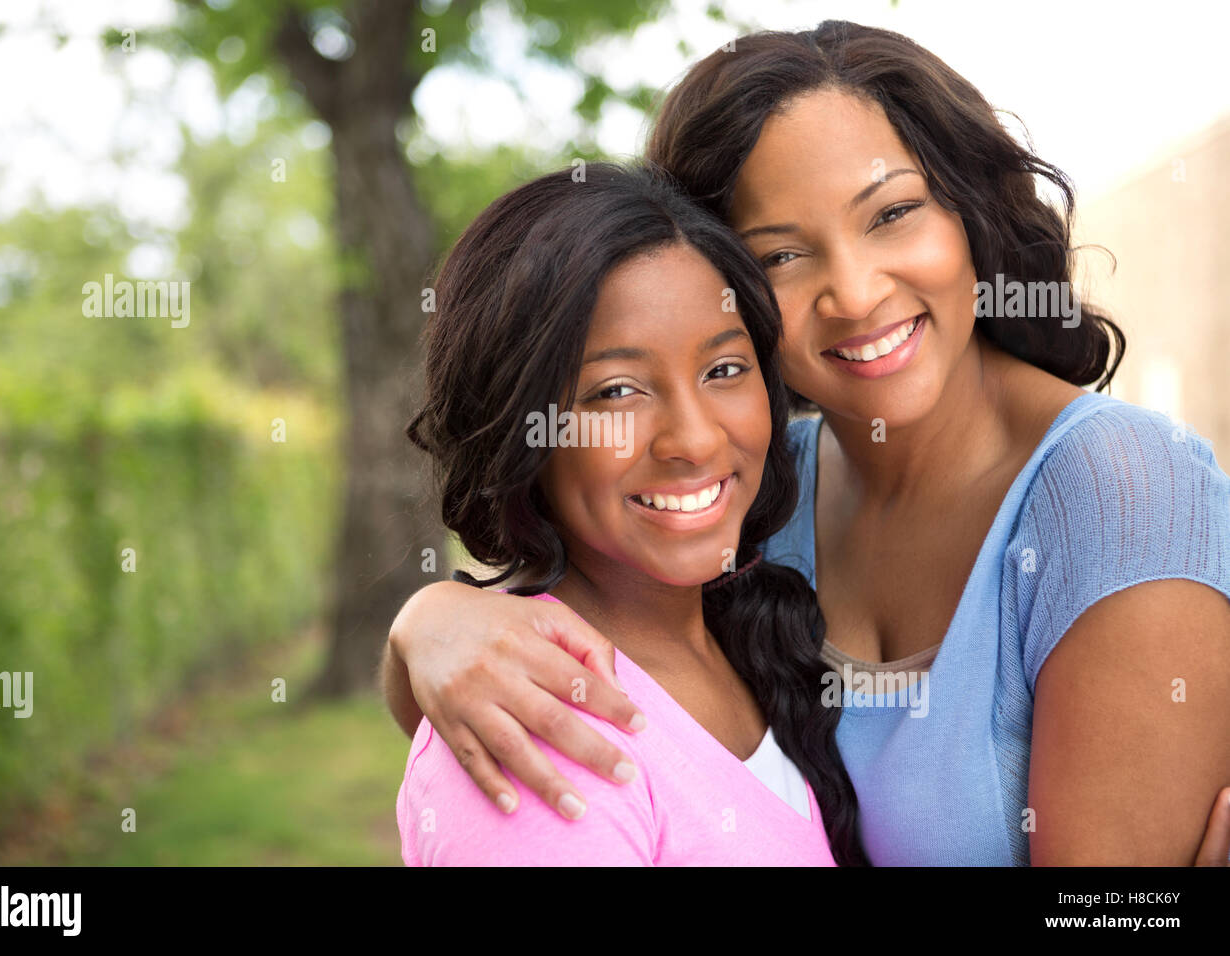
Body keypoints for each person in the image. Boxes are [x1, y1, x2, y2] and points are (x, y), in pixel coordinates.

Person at [385, 22, 1230, 865]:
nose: (856, 295)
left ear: (969, 214)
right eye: (782, 255)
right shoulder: (755, 493)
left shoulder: (1124, 491)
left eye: (893, 213)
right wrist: (427, 626)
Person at [398, 162, 857, 865]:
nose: (696, 439)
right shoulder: (536, 726)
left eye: (724, 370)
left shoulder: (748, 632)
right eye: (615, 391)